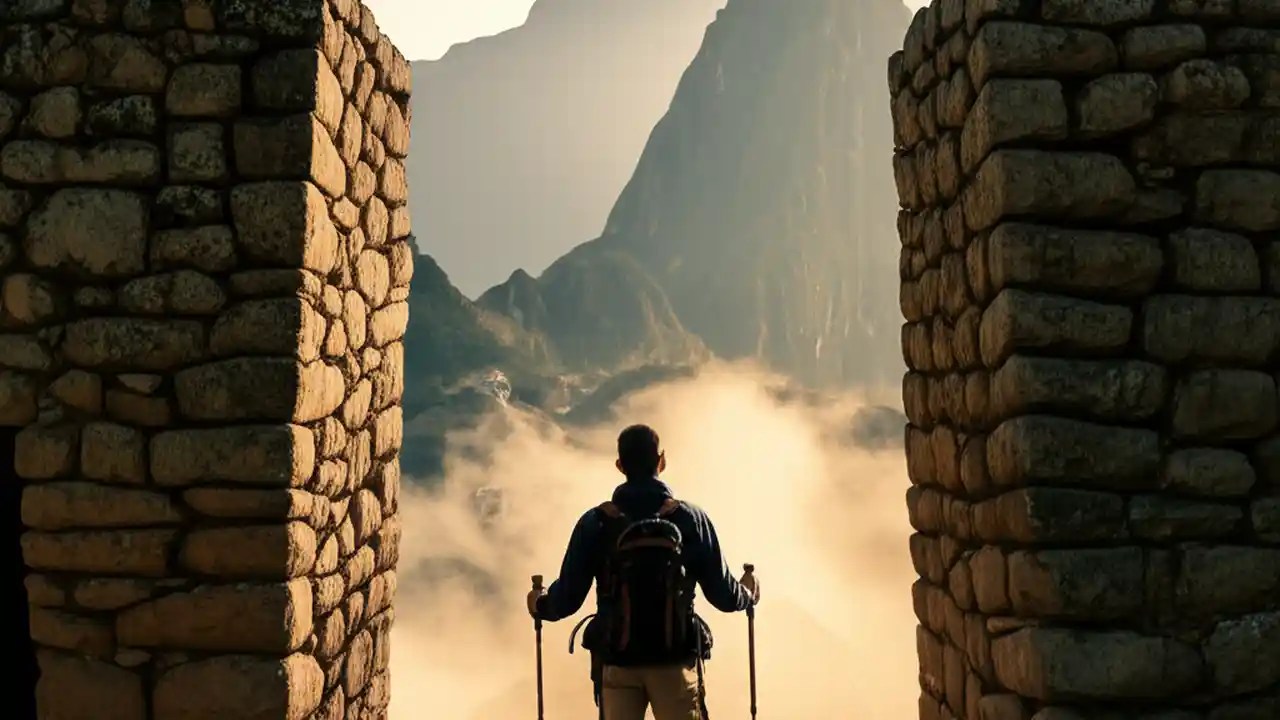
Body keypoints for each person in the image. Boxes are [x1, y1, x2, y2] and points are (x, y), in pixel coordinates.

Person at [526, 424, 760, 720]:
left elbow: (566, 600)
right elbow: (724, 596)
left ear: (620, 465)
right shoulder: (690, 520)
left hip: (617, 663)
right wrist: (749, 593)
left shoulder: (596, 523)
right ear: (661, 461)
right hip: (675, 661)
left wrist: (539, 602)